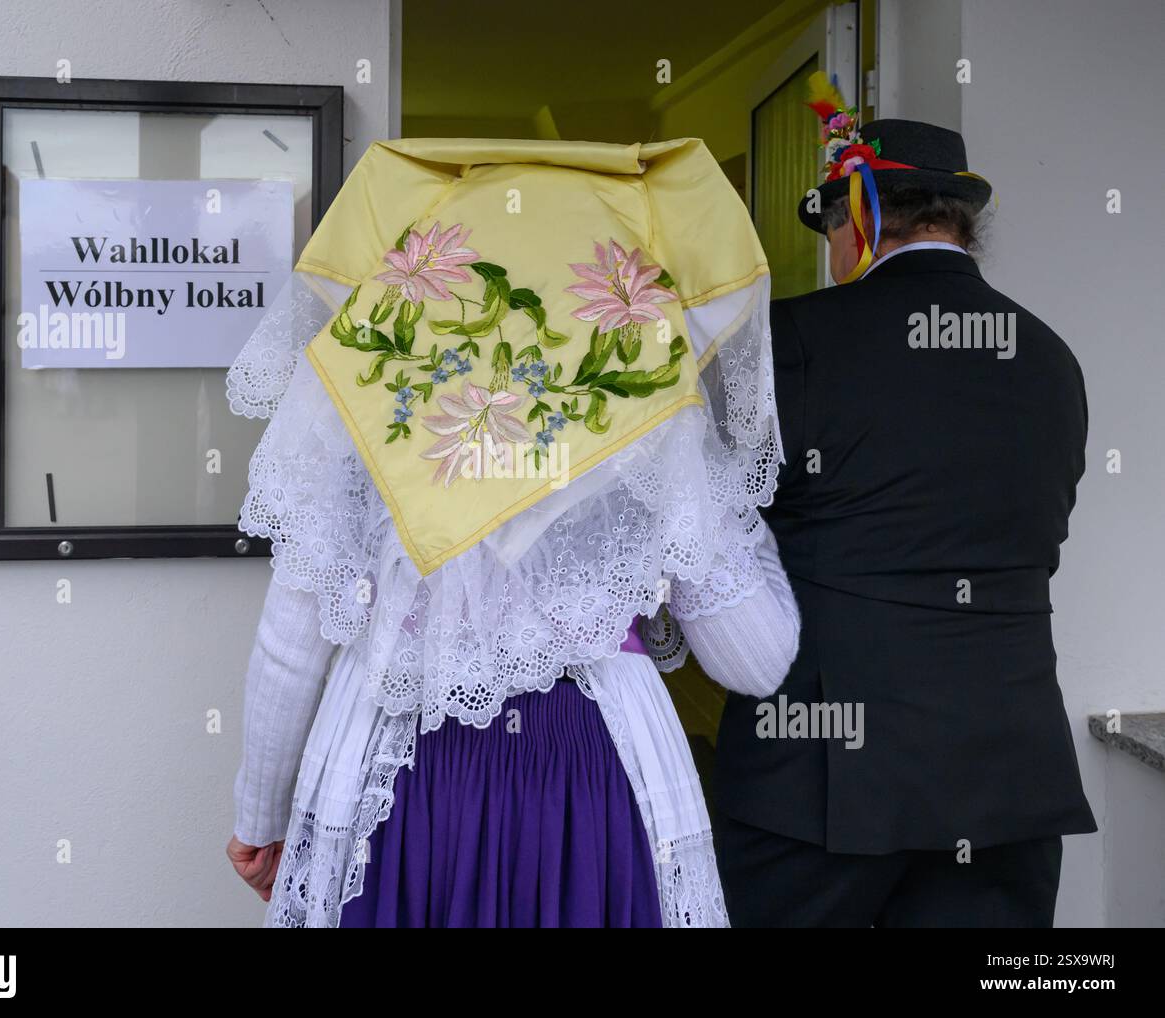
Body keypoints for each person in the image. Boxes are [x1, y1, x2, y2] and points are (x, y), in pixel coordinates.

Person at [220, 138, 802, 927]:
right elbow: (756, 659)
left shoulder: (360, 393)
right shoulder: (651, 417)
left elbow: (291, 648)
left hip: (401, 786)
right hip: (587, 796)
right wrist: (725, 497)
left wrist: (260, 821)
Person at [712, 110, 1097, 927]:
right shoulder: (1053, 359)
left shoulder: (793, 339)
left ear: (859, 218)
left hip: (819, 785)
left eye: (829, 226)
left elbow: (715, 528)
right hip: (1007, 776)